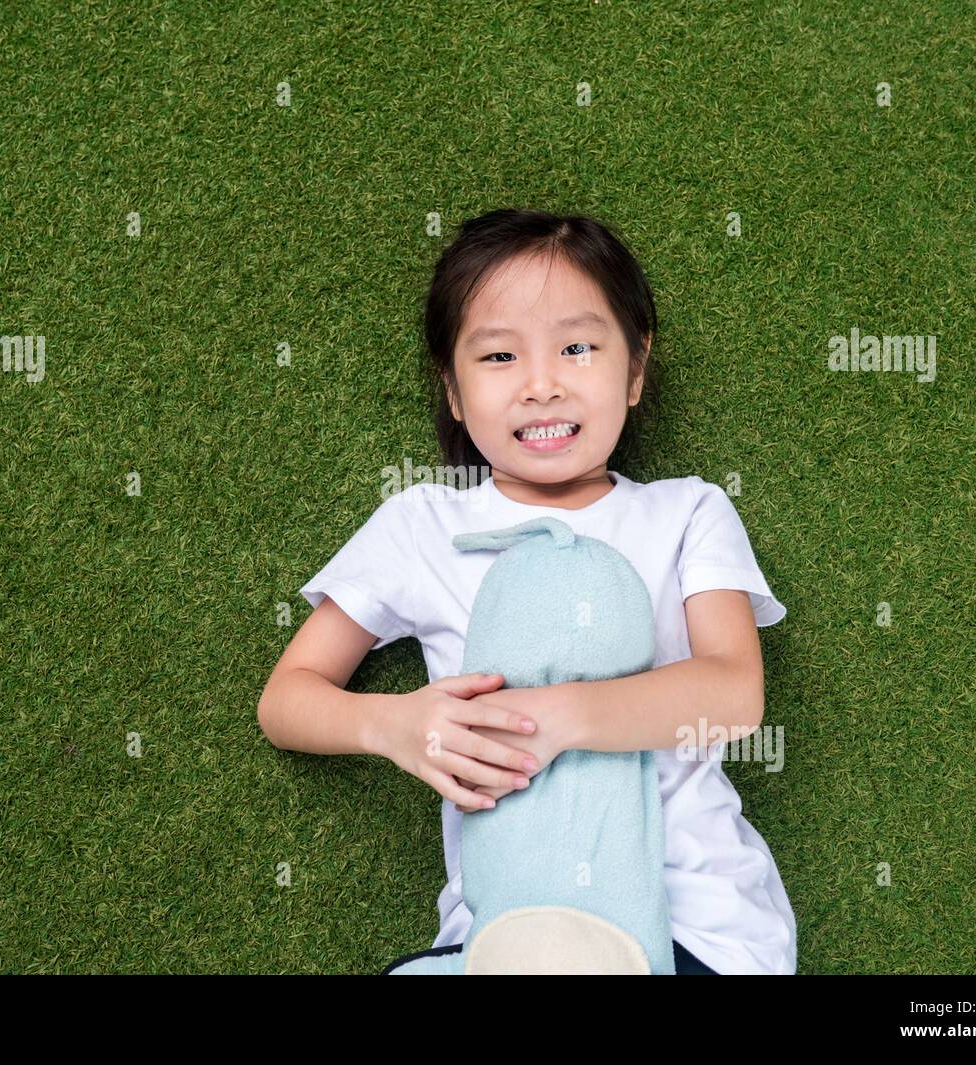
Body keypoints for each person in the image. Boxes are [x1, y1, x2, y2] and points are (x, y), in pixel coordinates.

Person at [258, 208, 796, 976]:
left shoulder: (687, 511)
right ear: (451, 387)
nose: (541, 386)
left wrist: (559, 717)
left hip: (695, 929)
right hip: (498, 934)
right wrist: (396, 725)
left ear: (636, 370)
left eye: (578, 348)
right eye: (500, 356)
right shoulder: (422, 524)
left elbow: (735, 693)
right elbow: (286, 700)